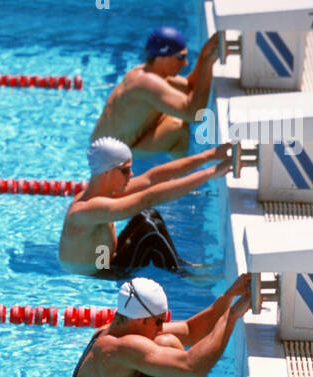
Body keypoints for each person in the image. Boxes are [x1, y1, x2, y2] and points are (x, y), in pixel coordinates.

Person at [68, 274, 250, 377]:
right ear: (140, 320)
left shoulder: (121, 330)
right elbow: (195, 367)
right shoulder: (116, 348)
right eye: (159, 321)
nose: (161, 327)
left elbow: (190, 330)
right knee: (170, 344)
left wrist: (229, 295)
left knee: (166, 342)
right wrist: (231, 316)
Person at [58, 137, 230, 277]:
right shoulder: (87, 210)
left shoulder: (100, 193)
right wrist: (211, 173)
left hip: (104, 261)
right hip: (99, 274)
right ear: (108, 173)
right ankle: (186, 276)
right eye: (125, 170)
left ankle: (182, 266)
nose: (131, 175)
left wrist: (209, 155)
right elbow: (150, 197)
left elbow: (151, 179)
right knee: (150, 232)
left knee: (148, 215)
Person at [91, 28, 220, 155]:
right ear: (163, 58)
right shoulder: (147, 83)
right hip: (110, 154)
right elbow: (195, 115)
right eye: (180, 57)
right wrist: (207, 62)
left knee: (177, 111)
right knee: (178, 129)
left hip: (105, 144)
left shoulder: (147, 72)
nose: (185, 63)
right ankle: (182, 173)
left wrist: (204, 57)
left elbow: (189, 88)